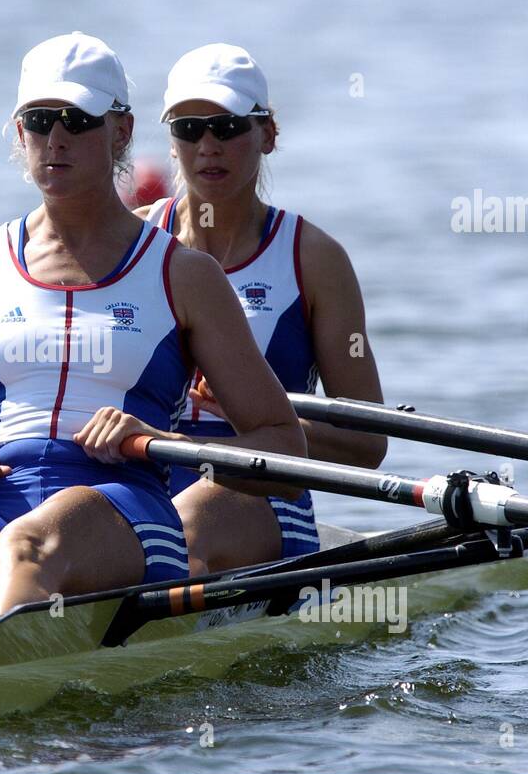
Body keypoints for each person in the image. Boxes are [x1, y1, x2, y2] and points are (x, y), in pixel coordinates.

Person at [0, 33, 308, 640]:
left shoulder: (184, 275)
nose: (56, 139)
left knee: (23, 551)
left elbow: (283, 450)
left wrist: (163, 440)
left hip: (120, 502)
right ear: (20, 134)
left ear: (120, 131)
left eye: (77, 120)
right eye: (39, 121)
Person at [137, 43, 386, 574]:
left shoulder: (314, 261)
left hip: (261, 490)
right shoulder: (128, 245)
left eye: (227, 128)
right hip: (144, 480)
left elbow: (367, 446)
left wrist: (251, 411)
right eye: (188, 128)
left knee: (182, 529)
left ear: (267, 134)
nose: (207, 146)